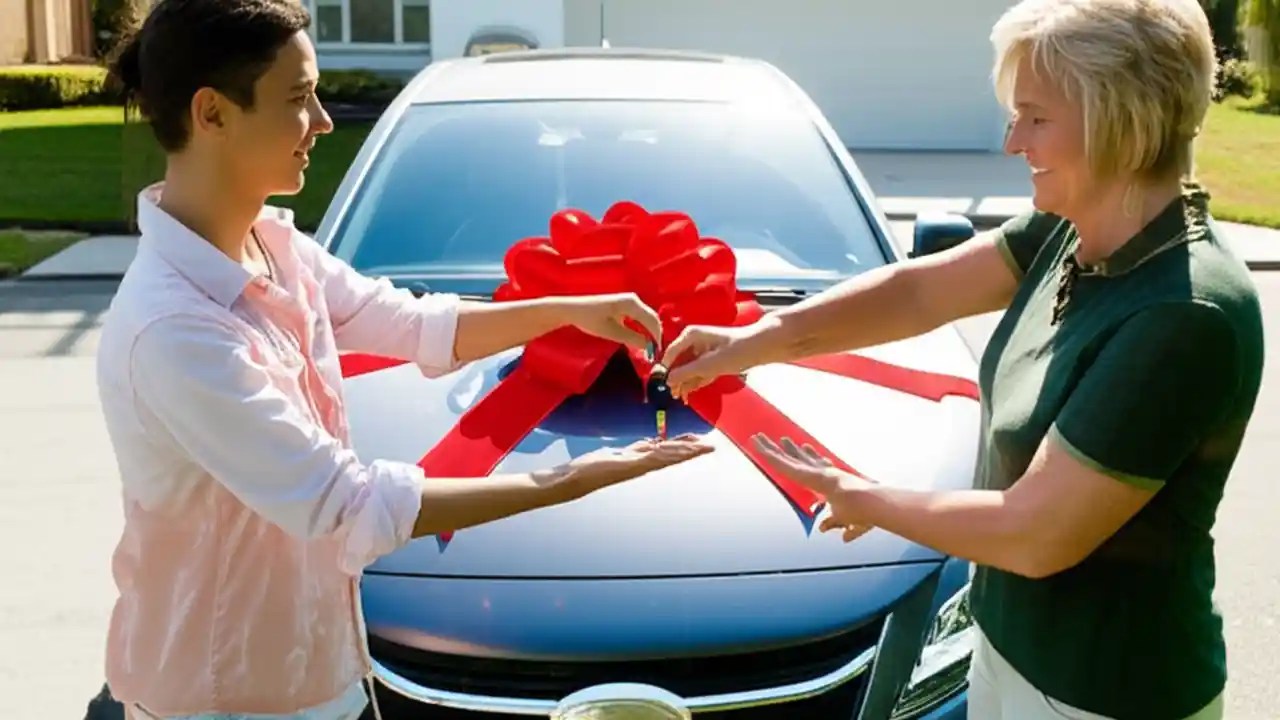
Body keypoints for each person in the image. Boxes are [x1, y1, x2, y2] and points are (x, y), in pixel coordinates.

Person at [95, 2, 713, 719]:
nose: (323, 122)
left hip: (314, 674)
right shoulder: (175, 329)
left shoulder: (274, 246)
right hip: (220, 697)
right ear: (212, 114)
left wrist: (571, 310)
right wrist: (575, 479)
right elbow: (346, 502)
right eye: (299, 100)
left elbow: (414, 324)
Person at [661, 0, 1262, 718]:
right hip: (1011, 653)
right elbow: (918, 293)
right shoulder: (1073, 228)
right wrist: (756, 335)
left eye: (1037, 117)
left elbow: (1034, 533)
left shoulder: (1182, 314)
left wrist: (863, 498)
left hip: (1107, 694)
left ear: (1120, 119)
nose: (1012, 141)